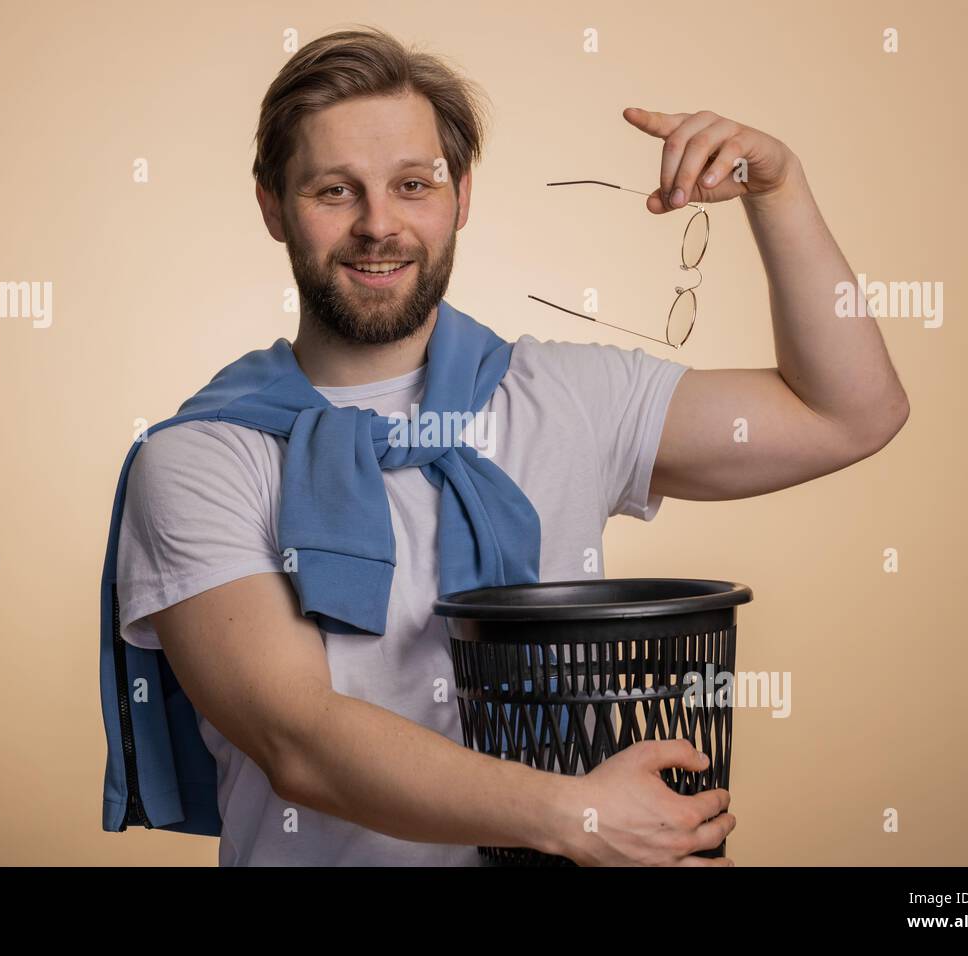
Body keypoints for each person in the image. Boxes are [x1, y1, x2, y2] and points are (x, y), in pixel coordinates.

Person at [114, 26, 909, 866]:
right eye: (335, 191)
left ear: (461, 199)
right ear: (274, 207)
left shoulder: (562, 397)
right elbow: (298, 741)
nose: (379, 225)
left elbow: (848, 414)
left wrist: (779, 191)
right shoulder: (205, 457)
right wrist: (582, 816)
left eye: (413, 184)